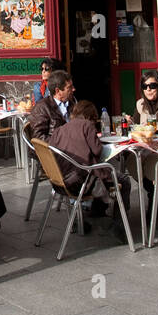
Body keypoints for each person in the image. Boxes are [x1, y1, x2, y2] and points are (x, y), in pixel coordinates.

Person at [48, 99, 130, 231]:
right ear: (89, 117)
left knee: (99, 171)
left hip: (60, 182)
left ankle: (97, 211)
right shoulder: (87, 126)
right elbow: (97, 151)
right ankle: (119, 225)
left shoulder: (59, 130)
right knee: (123, 180)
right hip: (82, 182)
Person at [28, 69, 75, 142]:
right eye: (69, 87)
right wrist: (62, 143)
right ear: (57, 91)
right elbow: (38, 138)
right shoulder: (42, 107)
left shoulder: (72, 103)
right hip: (54, 150)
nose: (73, 89)